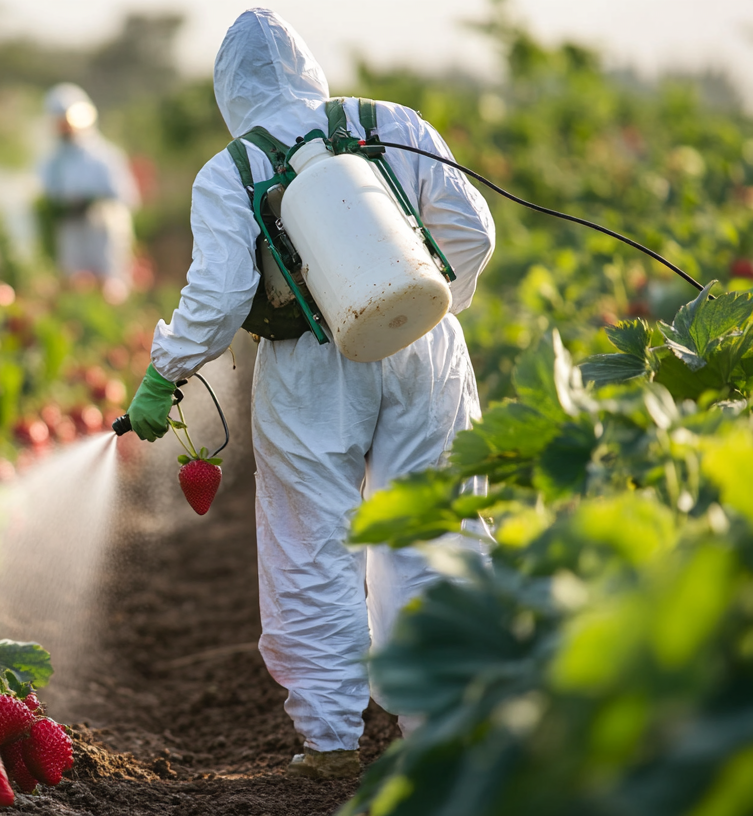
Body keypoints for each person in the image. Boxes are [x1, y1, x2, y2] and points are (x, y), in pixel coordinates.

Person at [126, 9, 496, 780]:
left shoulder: (233, 169)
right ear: (308, 66)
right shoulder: (390, 123)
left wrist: (167, 371)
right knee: (432, 526)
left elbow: (223, 294)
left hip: (308, 367)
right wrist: (428, 302)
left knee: (311, 543)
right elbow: (472, 233)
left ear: (229, 90)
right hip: (424, 349)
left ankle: (330, 742)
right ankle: (447, 723)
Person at [38, 83, 140, 303]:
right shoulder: (52, 163)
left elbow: (128, 198)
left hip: (103, 235)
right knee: (76, 292)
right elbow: (46, 196)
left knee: (111, 290)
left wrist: (93, 203)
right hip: (71, 233)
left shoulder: (105, 157)